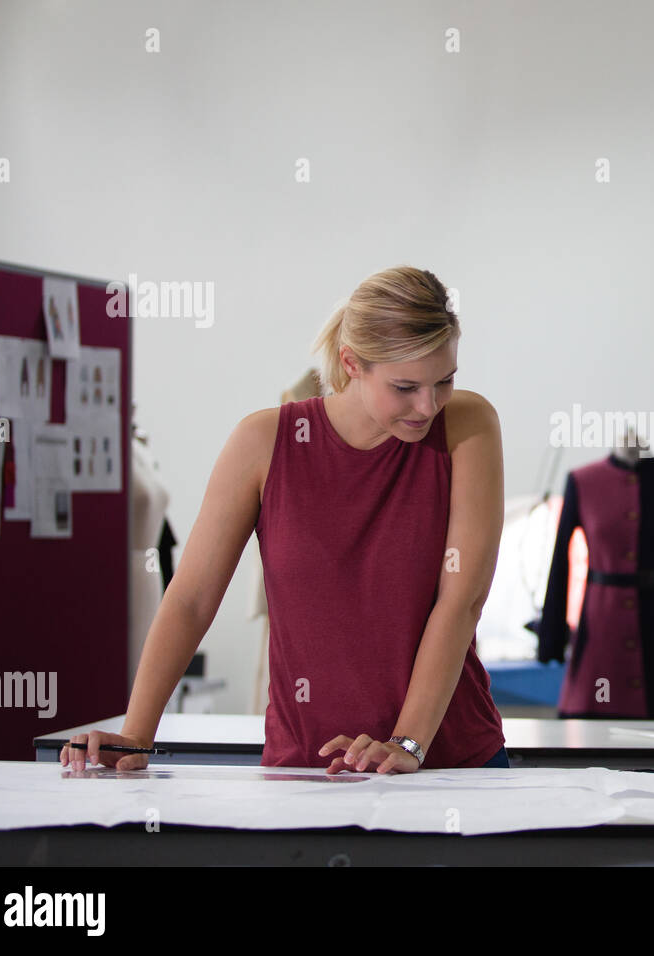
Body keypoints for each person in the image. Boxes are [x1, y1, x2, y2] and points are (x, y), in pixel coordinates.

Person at [61, 266, 508, 774]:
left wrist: (407, 745)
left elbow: (461, 600)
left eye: (444, 381)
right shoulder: (264, 442)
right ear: (351, 362)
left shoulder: (467, 425)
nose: (428, 405)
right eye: (405, 386)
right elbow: (190, 599)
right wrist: (137, 735)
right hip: (308, 766)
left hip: (449, 760)